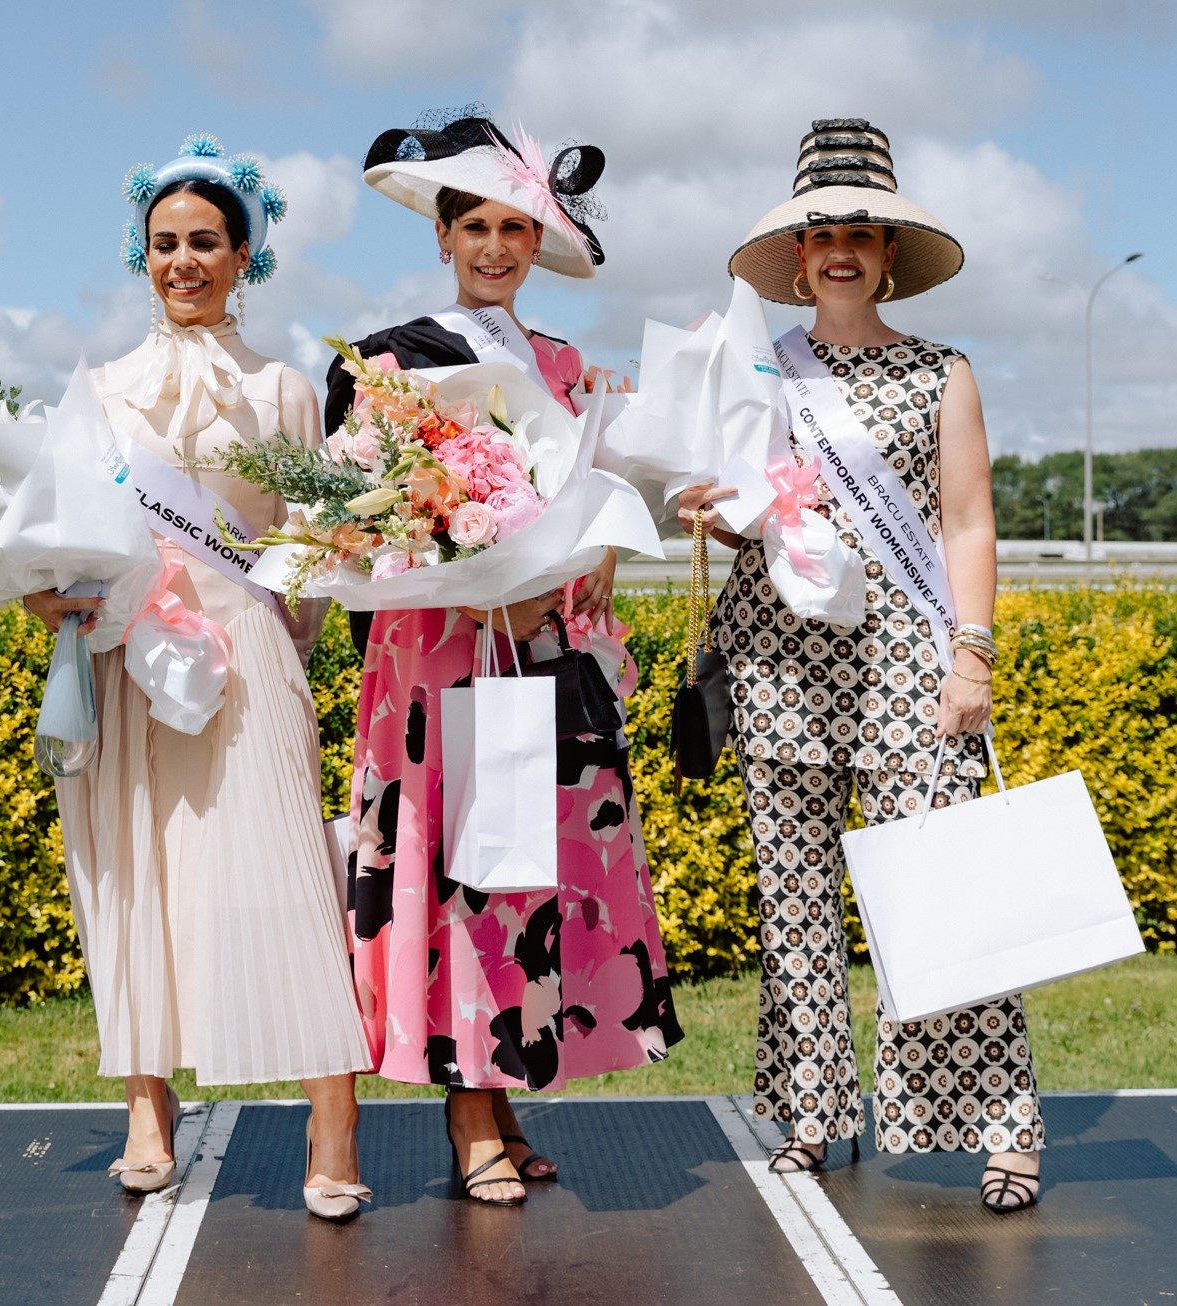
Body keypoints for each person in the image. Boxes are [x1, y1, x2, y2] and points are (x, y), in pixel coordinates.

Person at [682, 119, 1043, 1213]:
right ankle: (813, 1111)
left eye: (861, 232)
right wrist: (711, 504)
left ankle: (1003, 1124)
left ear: (890, 254)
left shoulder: (944, 372)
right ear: (797, 258)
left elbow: (969, 523)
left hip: (906, 665)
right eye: (821, 232)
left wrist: (971, 656)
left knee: (939, 897)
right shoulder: (754, 373)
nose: (841, 249)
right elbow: (742, 508)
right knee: (792, 901)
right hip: (778, 663)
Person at [328, 110, 683, 1206]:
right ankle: (470, 1110)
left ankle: (504, 1087)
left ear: (538, 244)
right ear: (441, 237)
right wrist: (436, 527)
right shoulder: (385, 361)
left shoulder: (572, 366)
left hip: (540, 650)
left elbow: (591, 510)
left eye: (514, 229)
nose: (493, 247)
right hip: (435, 661)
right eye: (474, 226)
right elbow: (350, 515)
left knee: (523, 865)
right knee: (459, 868)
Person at [22, 135, 373, 1222]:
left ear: (244, 255)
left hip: (245, 654)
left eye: (205, 242)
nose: (184, 260)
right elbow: (58, 535)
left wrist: (281, 646)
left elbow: (309, 554)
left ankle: (334, 1119)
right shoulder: (98, 387)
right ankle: (146, 1105)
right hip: (128, 655)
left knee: (287, 877)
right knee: (134, 877)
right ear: (145, 254)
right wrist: (46, 597)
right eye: (164, 243)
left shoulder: (282, 390)